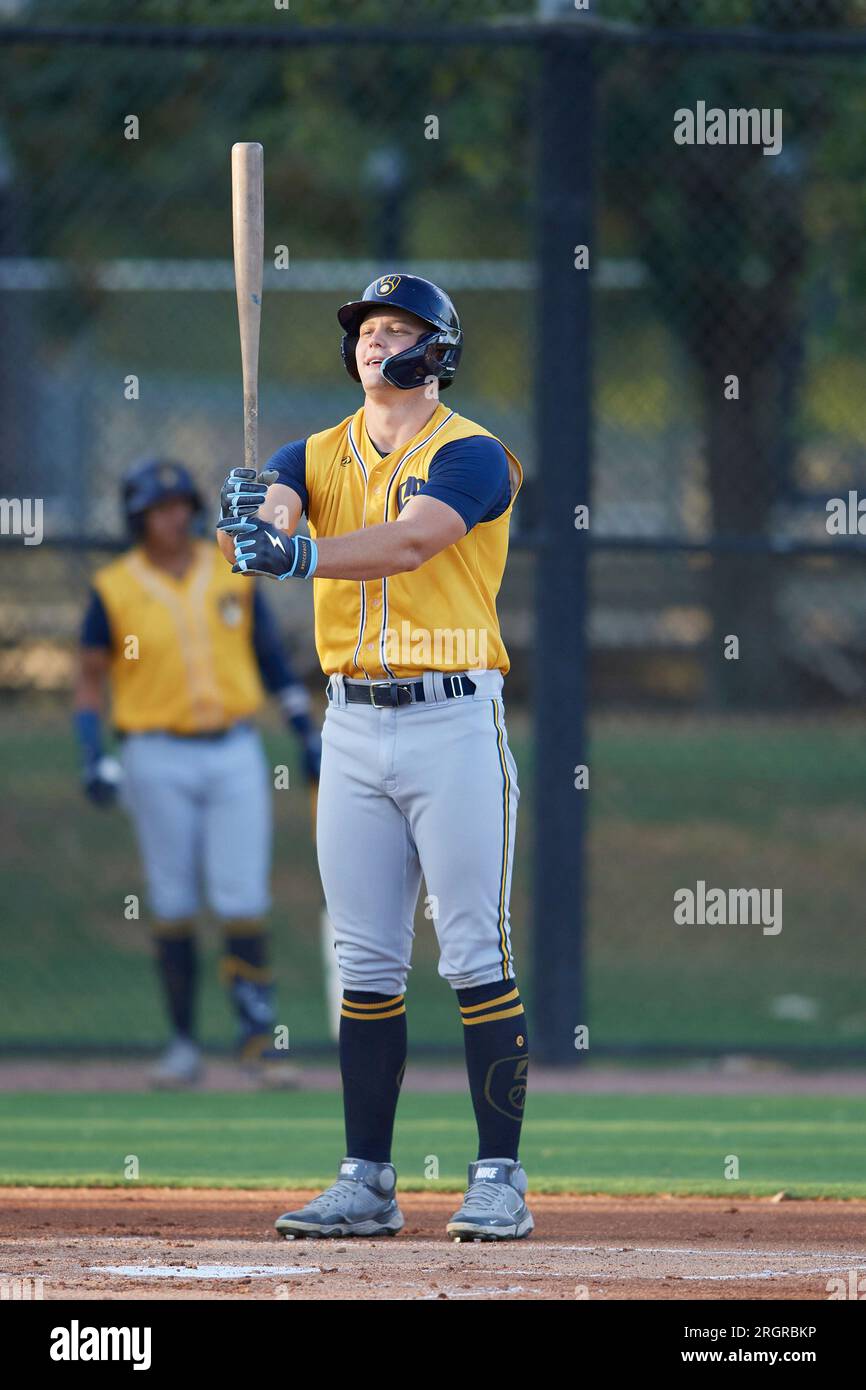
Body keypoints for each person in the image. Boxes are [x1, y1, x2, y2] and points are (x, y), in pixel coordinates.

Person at [218, 273, 530, 1242]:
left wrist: (297, 557)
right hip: (349, 722)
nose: (372, 341)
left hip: (451, 719)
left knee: (473, 950)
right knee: (363, 962)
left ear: (435, 351)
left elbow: (410, 543)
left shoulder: (474, 454)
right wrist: (250, 523)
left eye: (396, 329)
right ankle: (365, 1177)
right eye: (365, 327)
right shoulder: (310, 452)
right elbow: (274, 512)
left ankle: (497, 1177)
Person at [73, 458, 321, 1089]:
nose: (174, 517)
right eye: (160, 508)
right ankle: (184, 1044)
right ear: (138, 517)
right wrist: (90, 753)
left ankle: (257, 1045)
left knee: (242, 895)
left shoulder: (229, 567)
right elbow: (88, 679)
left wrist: (301, 725)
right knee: (174, 898)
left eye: (182, 504)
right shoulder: (115, 586)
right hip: (154, 751)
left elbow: (267, 655)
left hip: (233, 746)